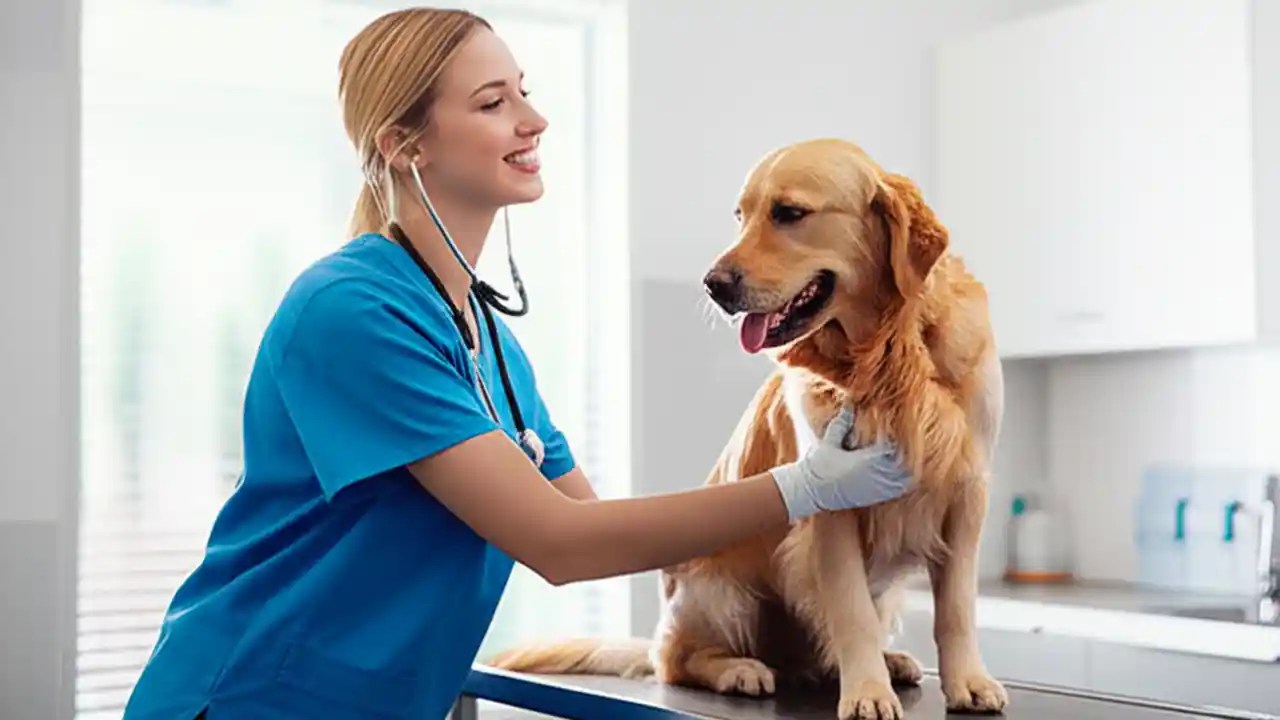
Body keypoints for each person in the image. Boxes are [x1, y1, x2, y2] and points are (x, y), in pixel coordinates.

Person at [121, 8, 913, 720]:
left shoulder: (487, 341)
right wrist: (799, 488)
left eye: (524, 92)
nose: (534, 120)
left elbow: (605, 531)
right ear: (405, 146)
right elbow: (561, 544)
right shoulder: (354, 311)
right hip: (250, 700)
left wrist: (795, 459)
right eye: (493, 102)